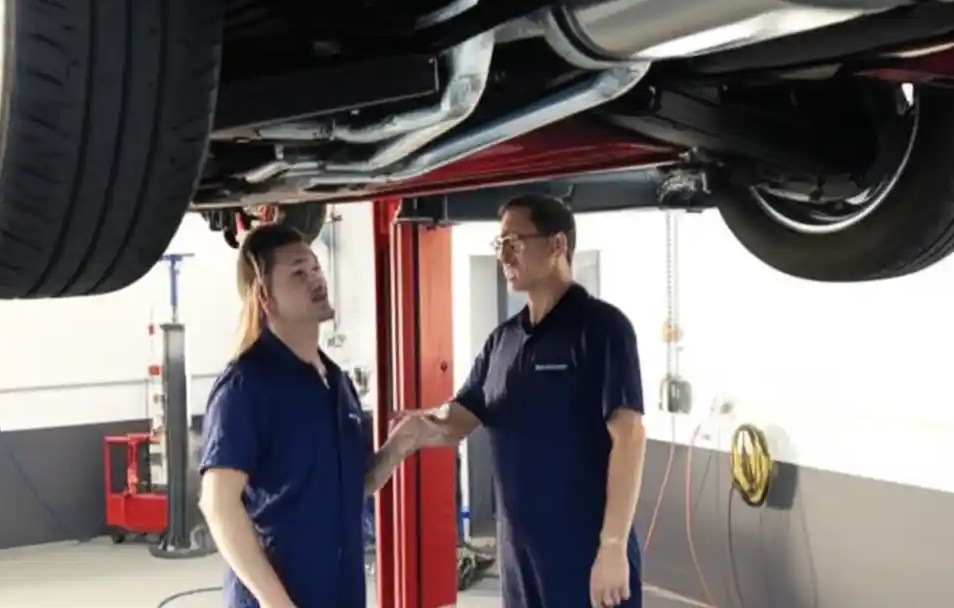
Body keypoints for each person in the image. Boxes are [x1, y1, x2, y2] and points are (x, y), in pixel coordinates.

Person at [405, 193, 648, 608]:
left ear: (557, 245)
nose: (504, 255)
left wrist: (612, 547)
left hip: (584, 553)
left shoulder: (603, 329)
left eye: (514, 242)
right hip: (519, 560)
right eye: (499, 245)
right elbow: (457, 421)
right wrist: (407, 437)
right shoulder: (503, 341)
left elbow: (630, 437)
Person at [197, 222, 442, 608]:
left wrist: (398, 447)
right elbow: (218, 504)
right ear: (265, 296)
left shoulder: (335, 382)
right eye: (298, 272)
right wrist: (276, 602)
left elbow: (348, 487)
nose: (316, 278)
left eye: (315, 268)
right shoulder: (247, 386)